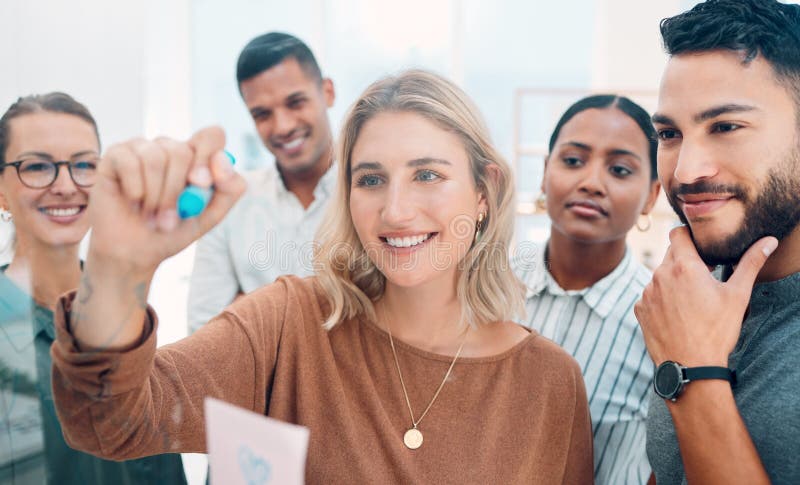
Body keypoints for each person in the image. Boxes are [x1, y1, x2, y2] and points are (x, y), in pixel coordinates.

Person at [48, 70, 593, 483]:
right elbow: (110, 422)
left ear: (484, 192)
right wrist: (117, 270)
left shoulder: (550, 382)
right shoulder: (288, 325)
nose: (396, 211)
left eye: (427, 174)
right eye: (371, 179)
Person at [634, 1, 800, 483]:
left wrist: (694, 369)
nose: (686, 172)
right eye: (669, 133)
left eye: (725, 127)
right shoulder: (691, 299)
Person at [0, 93, 187, 484]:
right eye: (37, 166)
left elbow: (160, 462)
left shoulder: (126, 311)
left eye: (84, 165)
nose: (66, 185)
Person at [514, 94, 660, 484]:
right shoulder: (486, 289)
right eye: (573, 161)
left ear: (651, 195)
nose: (591, 183)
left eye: (620, 169)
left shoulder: (662, 320)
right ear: (545, 172)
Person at [188, 31, 337, 333]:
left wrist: (249, 313)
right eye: (262, 114)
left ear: (328, 92)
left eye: (295, 103)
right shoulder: (230, 202)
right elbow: (203, 333)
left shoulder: (376, 193)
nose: (282, 126)